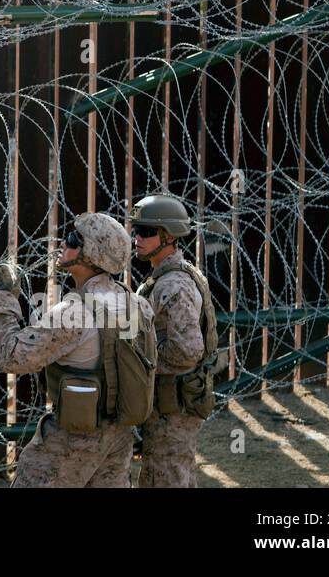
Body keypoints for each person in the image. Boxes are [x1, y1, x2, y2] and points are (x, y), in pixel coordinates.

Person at [0, 212, 157, 487]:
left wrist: (2, 298)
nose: (64, 243)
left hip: (71, 443)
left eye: (74, 240)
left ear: (92, 256)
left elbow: (11, 355)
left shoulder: (73, 314)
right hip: (118, 437)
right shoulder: (136, 304)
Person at [130, 193, 219, 488]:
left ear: (168, 236)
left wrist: (141, 363)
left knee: (167, 478)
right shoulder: (166, 276)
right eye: (136, 231)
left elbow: (186, 350)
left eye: (146, 232)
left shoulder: (174, 285)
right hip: (169, 405)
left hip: (174, 407)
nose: (137, 238)